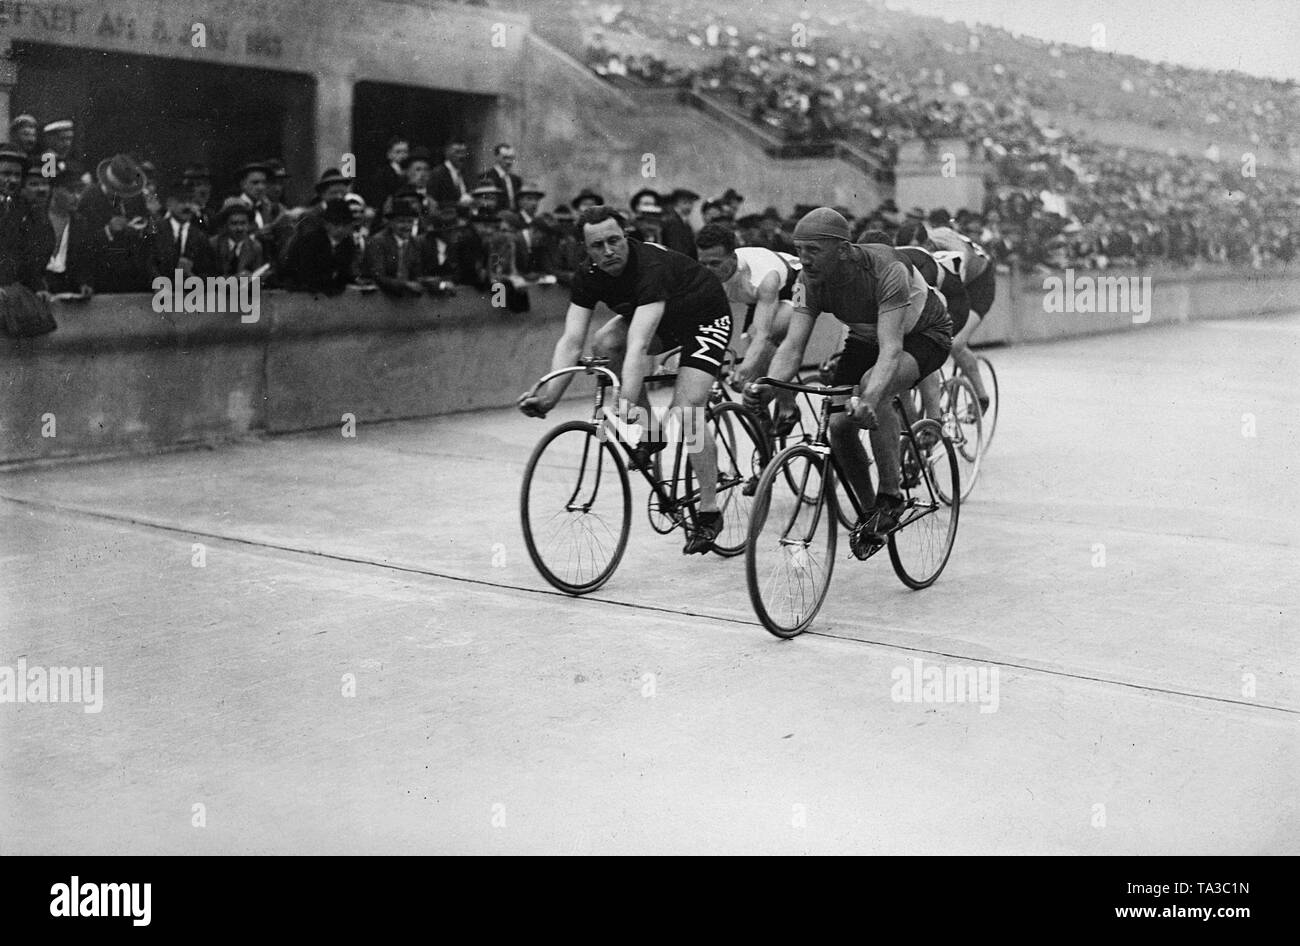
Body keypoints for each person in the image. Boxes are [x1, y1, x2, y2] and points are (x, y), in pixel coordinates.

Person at [517, 206, 732, 554]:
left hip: (703, 317)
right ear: (585, 250)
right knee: (603, 343)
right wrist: (549, 395)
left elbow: (639, 346)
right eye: (597, 245)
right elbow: (572, 340)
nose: (608, 251)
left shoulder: (649, 266)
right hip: (662, 316)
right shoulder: (588, 274)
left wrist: (626, 400)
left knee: (688, 411)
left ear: (626, 235)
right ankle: (651, 433)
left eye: (614, 240)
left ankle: (709, 511)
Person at [751, 208, 952, 557]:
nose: (804, 259)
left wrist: (870, 400)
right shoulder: (807, 281)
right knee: (840, 425)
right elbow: (792, 346)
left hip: (924, 334)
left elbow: (891, 351)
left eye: (813, 250)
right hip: (865, 338)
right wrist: (771, 385)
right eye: (799, 250)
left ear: (843, 250)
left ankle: (891, 496)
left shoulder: (886, 269)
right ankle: (870, 512)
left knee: (873, 385)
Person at [694, 223, 801, 395]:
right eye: (703, 263)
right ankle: (761, 409)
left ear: (733, 257)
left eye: (715, 263)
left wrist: (744, 369)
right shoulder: (703, 276)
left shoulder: (762, 276)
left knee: (765, 337)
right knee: (750, 363)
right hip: (758, 297)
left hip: (796, 285)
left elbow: (762, 334)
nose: (708, 270)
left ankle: (787, 404)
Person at [925, 209, 994, 411]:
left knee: (956, 344)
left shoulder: (947, 241)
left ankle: (981, 397)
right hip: (961, 280)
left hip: (979, 285)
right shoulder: (932, 238)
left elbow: (955, 283)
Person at [77, 153, 156, 293]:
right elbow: (80, 244)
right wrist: (108, 230)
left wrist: (144, 227)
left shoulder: (135, 198)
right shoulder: (88, 198)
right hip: (100, 278)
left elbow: (148, 236)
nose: (123, 197)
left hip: (132, 276)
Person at [0, 144, 53, 296]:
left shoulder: (22, 209)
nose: (13, 180)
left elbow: (27, 255)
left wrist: (38, 287)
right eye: (6, 174)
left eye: (17, 175)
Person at [279, 198, 355, 294]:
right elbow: (305, 272)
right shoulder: (311, 240)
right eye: (335, 224)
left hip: (324, 290)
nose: (340, 229)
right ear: (326, 224)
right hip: (300, 289)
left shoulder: (347, 243)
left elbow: (344, 270)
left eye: (344, 224)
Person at [43, 169, 94, 296]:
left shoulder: (80, 223)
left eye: (79, 192)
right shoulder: (37, 218)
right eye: (71, 191)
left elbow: (83, 261)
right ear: (55, 190)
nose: (77, 197)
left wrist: (84, 283)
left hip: (67, 288)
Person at [364, 195, 426, 296]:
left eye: (410, 222)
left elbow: (417, 273)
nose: (406, 226)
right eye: (401, 221)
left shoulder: (414, 243)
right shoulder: (377, 241)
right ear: (391, 223)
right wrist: (405, 284)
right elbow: (379, 276)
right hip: (379, 298)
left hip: (405, 299)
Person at [208, 200, 265, 277]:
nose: (239, 228)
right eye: (234, 224)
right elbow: (209, 277)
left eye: (243, 223)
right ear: (226, 225)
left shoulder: (255, 247)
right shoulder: (214, 244)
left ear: (248, 224)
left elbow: (257, 280)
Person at [660, 188, 699, 259]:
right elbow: (676, 248)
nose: (688, 206)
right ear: (676, 204)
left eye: (691, 203)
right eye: (685, 202)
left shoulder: (684, 222)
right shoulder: (673, 222)